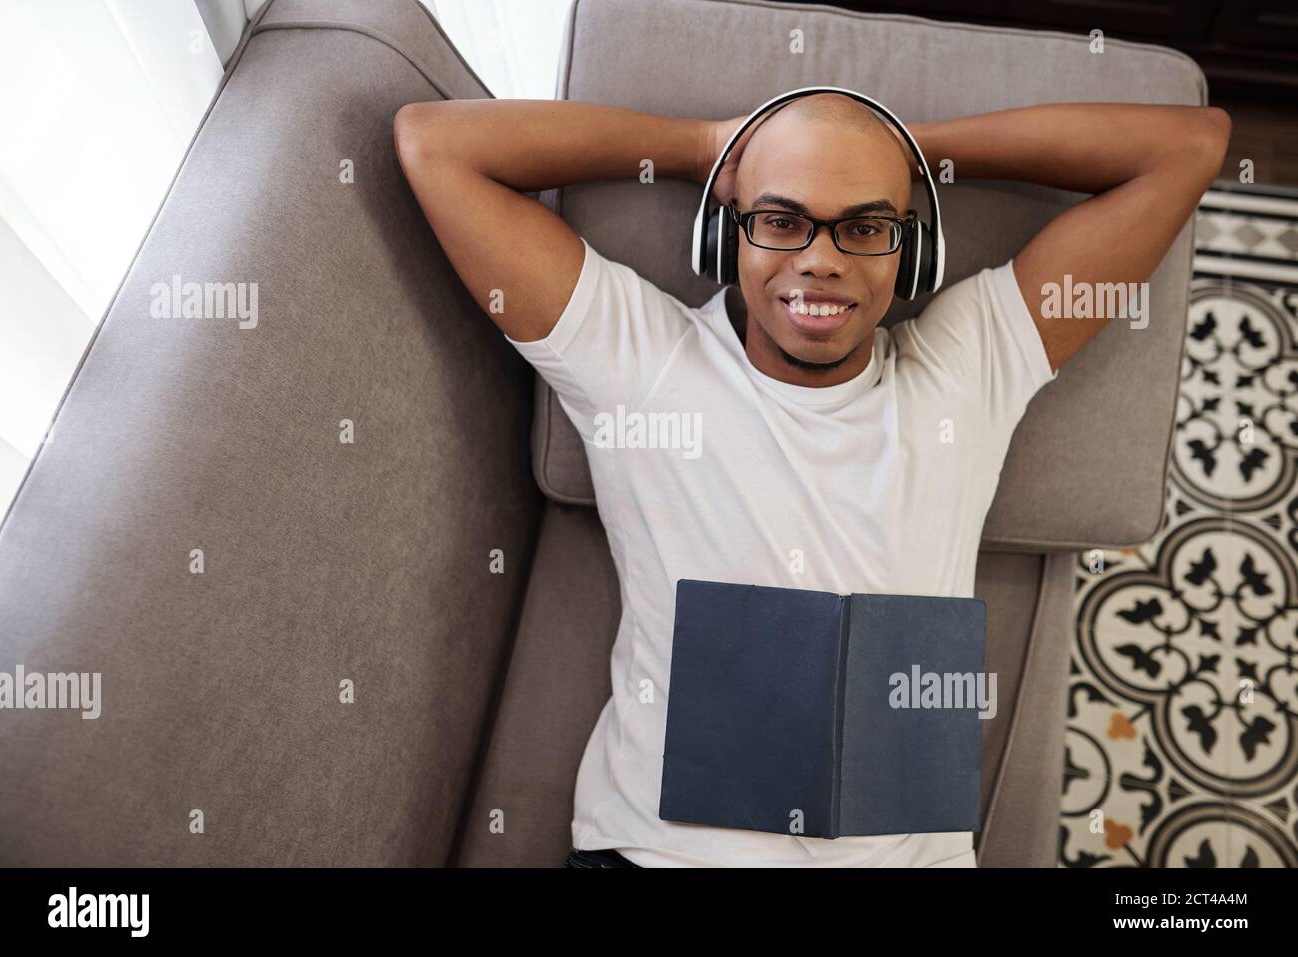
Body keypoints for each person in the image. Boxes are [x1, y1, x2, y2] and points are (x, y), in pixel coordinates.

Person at [393, 93, 1230, 867]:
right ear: (727, 234)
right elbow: (436, 144)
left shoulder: (967, 364)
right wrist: (706, 146)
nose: (821, 261)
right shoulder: (638, 360)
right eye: (781, 220)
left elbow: (1189, 145)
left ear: (914, 246)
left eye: (865, 226)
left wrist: (910, 150)